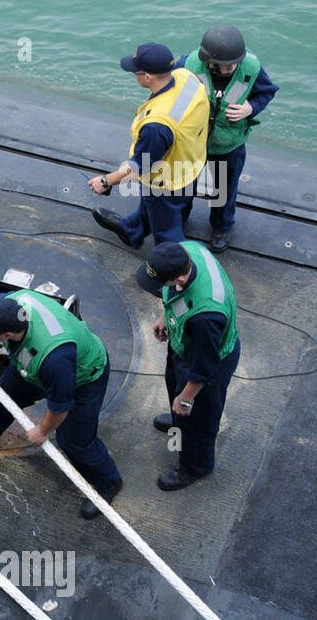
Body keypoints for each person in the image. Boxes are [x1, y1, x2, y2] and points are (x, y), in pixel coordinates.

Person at [0, 291, 123, 519]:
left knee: (75, 440)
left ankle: (108, 483)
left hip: (83, 377)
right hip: (30, 363)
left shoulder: (56, 360)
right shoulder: (8, 305)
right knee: (1, 398)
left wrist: (43, 430)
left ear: (6, 334)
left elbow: (60, 406)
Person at [137, 241, 240, 490]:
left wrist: (186, 399)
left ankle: (196, 466)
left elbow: (204, 369)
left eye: (161, 283)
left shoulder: (206, 316)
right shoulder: (187, 250)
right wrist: (166, 316)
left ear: (181, 276)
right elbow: (175, 294)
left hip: (205, 359)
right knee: (174, 385)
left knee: (199, 420)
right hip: (185, 343)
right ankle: (179, 419)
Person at [89, 43, 210, 251]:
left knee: (166, 232)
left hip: (165, 182)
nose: (134, 75)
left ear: (147, 77)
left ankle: (177, 270)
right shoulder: (185, 76)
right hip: (191, 164)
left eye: (136, 72)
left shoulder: (156, 125)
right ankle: (132, 229)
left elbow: (138, 168)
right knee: (171, 206)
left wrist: (104, 181)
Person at [180, 25, 279, 254]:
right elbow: (168, 86)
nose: (232, 67)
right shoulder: (189, 64)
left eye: (235, 62)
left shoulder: (250, 68)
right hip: (194, 141)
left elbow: (267, 91)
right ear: (209, 61)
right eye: (226, 64)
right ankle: (178, 220)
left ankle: (221, 228)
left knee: (223, 189)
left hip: (229, 144)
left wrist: (251, 108)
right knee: (184, 185)